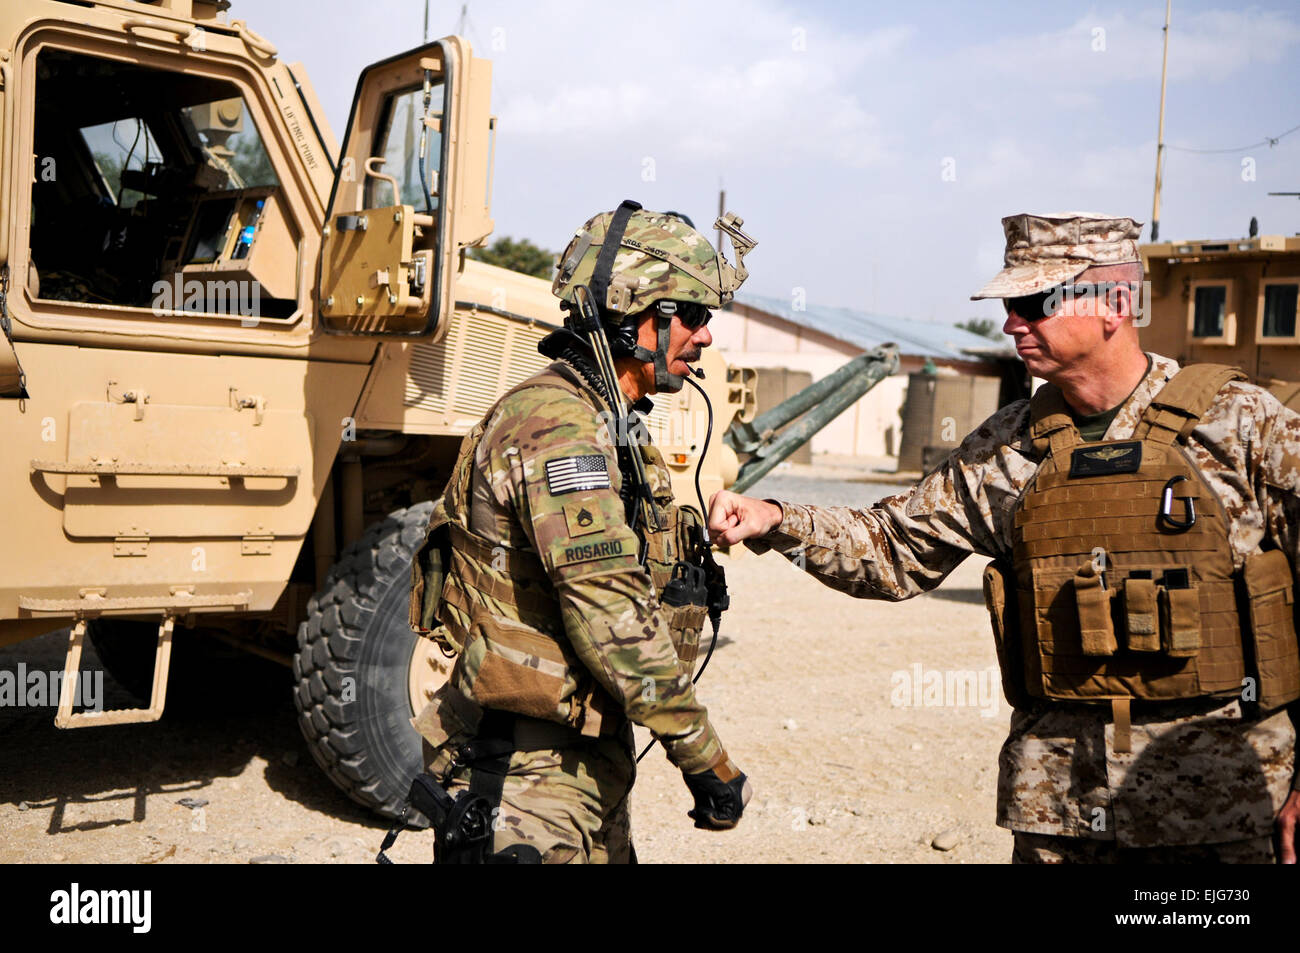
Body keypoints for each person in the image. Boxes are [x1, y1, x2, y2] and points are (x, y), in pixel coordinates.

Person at [709, 211, 1300, 864]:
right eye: (1010, 304)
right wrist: (775, 518)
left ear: (1117, 303)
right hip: (1060, 814)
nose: (1012, 322)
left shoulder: (1243, 425)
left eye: (1034, 302)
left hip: (1221, 812)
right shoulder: (1006, 445)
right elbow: (894, 547)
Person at [406, 200, 753, 863]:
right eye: (696, 316)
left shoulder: (613, 425)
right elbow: (610, 612)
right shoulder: (557, 426)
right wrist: (705, 758)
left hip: (582, 754)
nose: (706, 337)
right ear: (637, 316)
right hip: (524, 773)